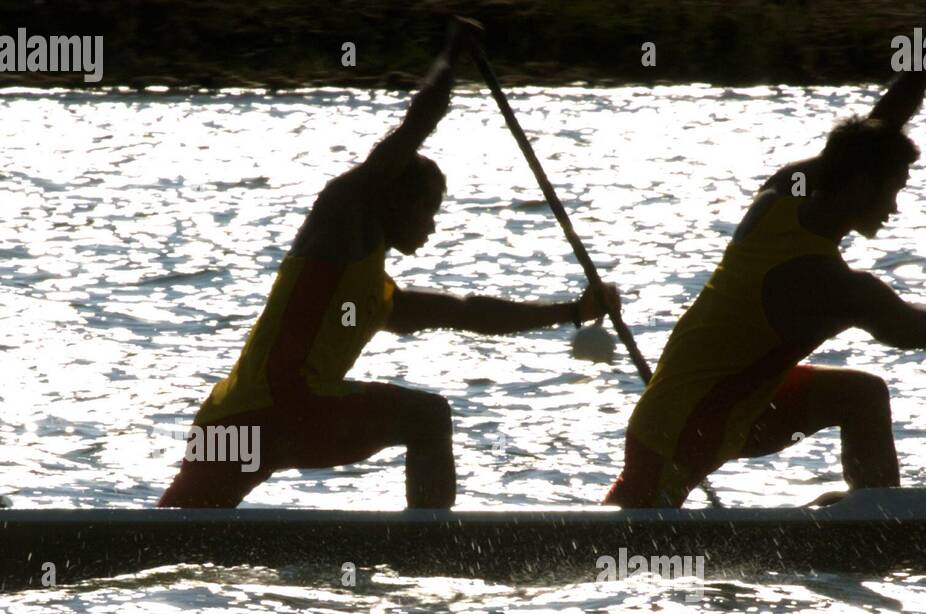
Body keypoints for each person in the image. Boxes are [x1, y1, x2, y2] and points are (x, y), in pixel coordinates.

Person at [603, 18, 926, 508]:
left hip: (745, 407)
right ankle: (865, 527)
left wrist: (924, 56)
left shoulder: (787, 190)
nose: (895, 207)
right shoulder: (830, 285)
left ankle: (875, 519)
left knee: (861, 395)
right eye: (893, 192)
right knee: (626, 531)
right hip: (682, 427)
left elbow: (874, 131)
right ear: (858, 187)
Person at [159, 19, 617, 509]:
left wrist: (572, 311)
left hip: (225, 425)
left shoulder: (380, 297)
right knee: (429, 417)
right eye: (427, 211)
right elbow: (419, 121)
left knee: (168, 537)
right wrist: (451, 53)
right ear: (392, 196)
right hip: (285, 416)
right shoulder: (345, 217)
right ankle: (431, 550)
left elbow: (470, 312)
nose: (431, 227)